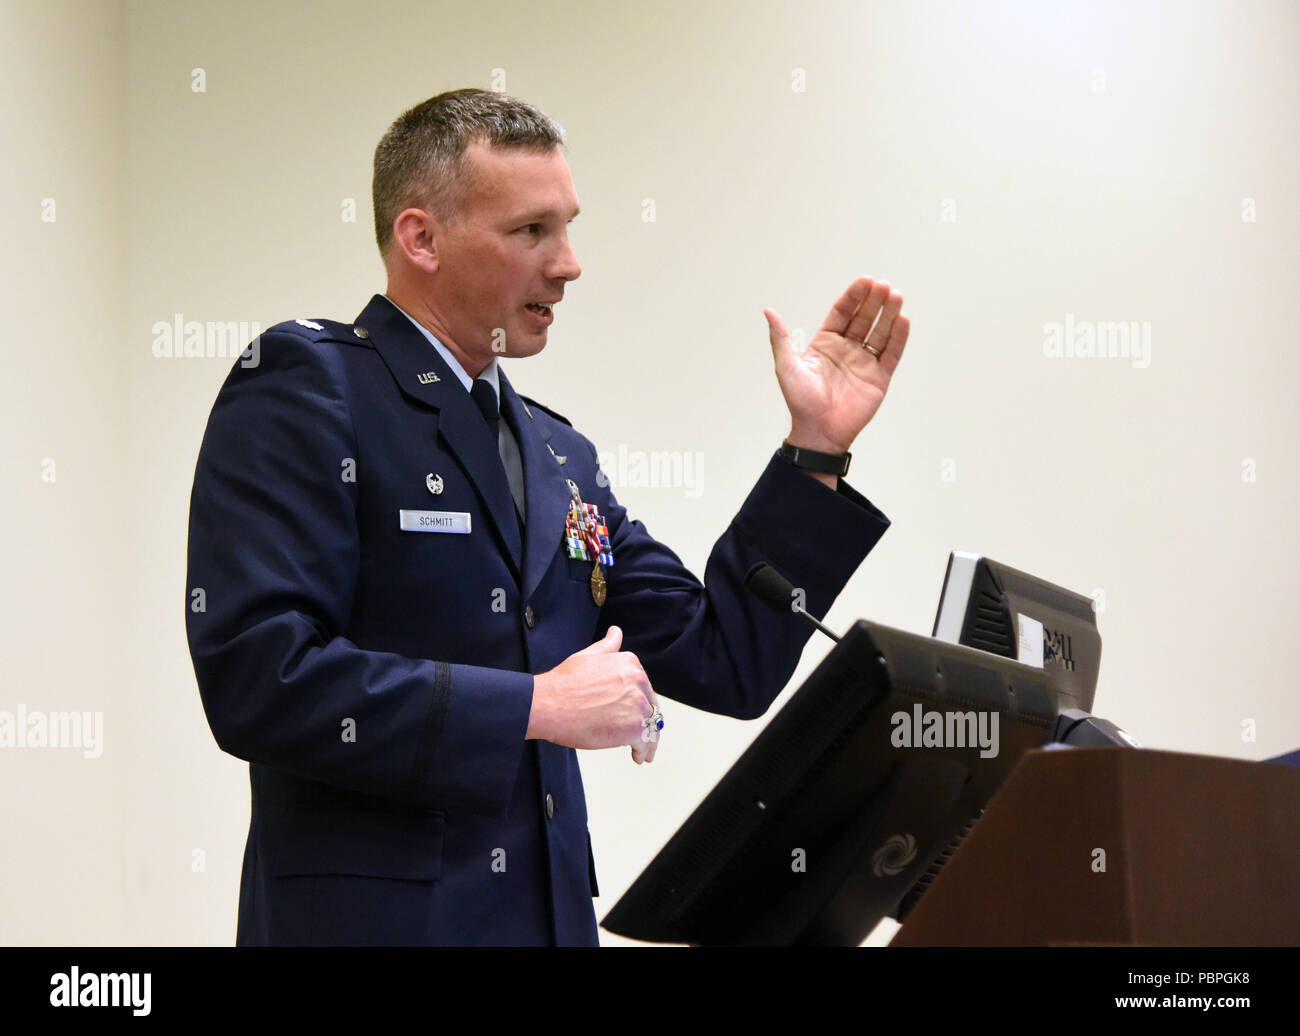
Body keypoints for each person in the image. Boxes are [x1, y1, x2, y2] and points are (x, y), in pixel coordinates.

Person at [185, 88, 910, 946]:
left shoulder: (556, 453)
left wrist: (815, 450)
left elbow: (725, 660)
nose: (568, 264)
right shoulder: (313, 387)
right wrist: (531, 705)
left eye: (567, 227)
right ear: (421, 238)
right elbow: (258, 678)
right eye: (531, 231)